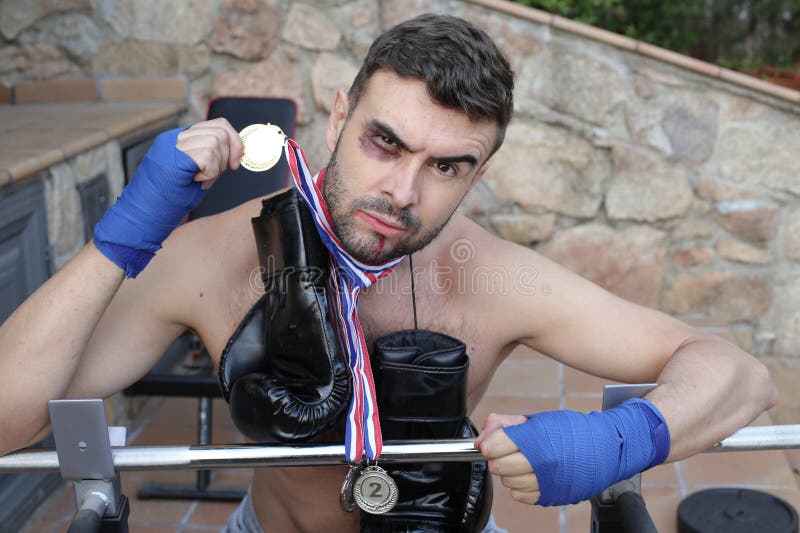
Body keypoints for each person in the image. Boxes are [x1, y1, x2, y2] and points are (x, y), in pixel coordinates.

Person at [0, 13, 776, 533]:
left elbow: (737, 375)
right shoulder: (214, 257)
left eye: (447, 166)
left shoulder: (491, 277)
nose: (403, 193)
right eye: (384, 143)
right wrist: (120, 240)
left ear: (478, 175)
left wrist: (618, 439)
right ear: (338, 117)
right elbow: (8, 421)